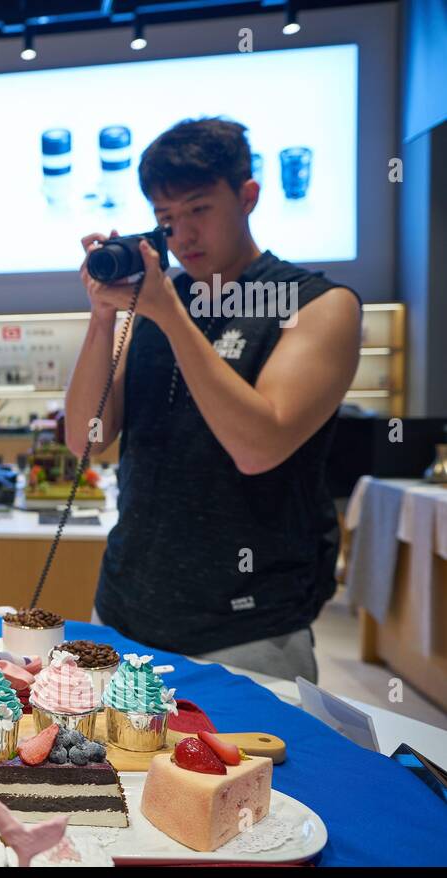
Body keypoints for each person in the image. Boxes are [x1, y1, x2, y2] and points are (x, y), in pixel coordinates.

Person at [64, 118, 361, 682]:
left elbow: (258, 447)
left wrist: (170, 314)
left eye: (199, 209)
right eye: (167, 219)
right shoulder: (152, 304)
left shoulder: (318, 304)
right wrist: (102, 318)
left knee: (243, 747)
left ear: (248, 196)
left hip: (249, 629)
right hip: (124, 608)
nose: (183, 235)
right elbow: (86, 440)